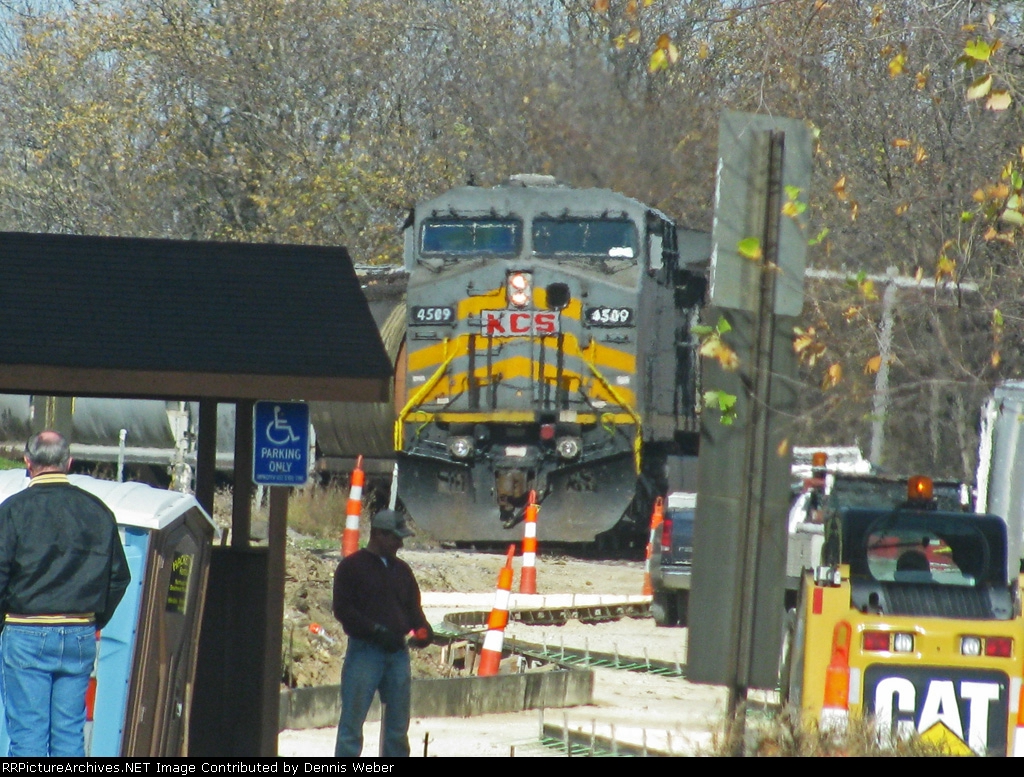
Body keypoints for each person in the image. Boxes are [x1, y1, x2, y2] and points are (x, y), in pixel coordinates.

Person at [0, 431, 131, 757]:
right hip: (79, 632)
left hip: (25, 630)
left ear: (28, 463)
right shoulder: (97, 511)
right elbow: (119, 577)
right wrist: (94, 618)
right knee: (69, 736)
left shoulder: (12, 511)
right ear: (68, 462)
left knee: (28, 736)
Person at [333, 508, 432, 757]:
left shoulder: (402, 570)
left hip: (397, 653)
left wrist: (423, 629)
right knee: (352, 726)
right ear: (378, 534)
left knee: (398, 728)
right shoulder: (351, 567)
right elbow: (344, 610)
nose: (399, 543)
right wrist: (376, 631)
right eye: (395, 538)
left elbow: (412, 608)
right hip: (364, 652)